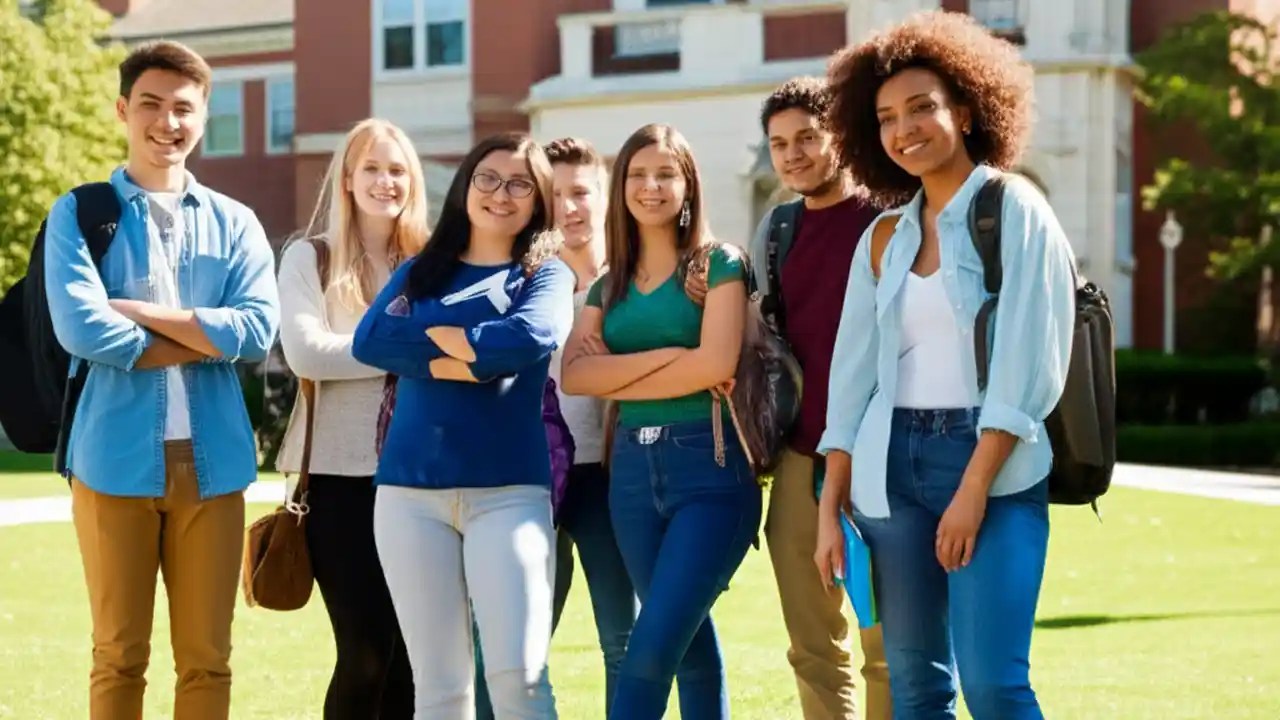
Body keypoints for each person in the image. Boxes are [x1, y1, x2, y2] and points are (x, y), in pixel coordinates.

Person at [814, 12, 1076, 719]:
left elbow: (1028, 361)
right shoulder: (882, 237)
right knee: (916, 689)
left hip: (994, 467)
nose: (904, 129)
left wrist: (974, 487)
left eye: (921, 107)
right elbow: (851, 378)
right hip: (890, 474)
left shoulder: (1015, 209)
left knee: (995, 687)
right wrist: (830, 506)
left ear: (965, 109)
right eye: (886, 118)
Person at [44, 40, 279, 719]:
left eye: (183, 108)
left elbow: (257, 331)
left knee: (208, 660)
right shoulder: (78, 214)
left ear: (203, 117)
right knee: (118, 655)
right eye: (151, 104)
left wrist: (143, 314)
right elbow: (82, 331)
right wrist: (204, 340)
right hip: (109, 461)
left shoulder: (237, 223)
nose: (167, 122)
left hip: (215, 466)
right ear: (123, 110)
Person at [352, 132, 574, 719]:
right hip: (408, 497)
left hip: (509, 495)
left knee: (520, 681)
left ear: (539, 200)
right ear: (465, 187)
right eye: (488, 179)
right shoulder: (421, 271)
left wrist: (436, 344)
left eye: (520, 184)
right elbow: (370, 341)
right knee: (440, 688)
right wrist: (470, 359)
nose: (501, 194)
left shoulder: (546, 275)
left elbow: (529, 337)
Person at [561, 123, 761, 720]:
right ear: (622, 187)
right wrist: (675, 358)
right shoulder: (607, 286)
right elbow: (575, 375)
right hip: (629, 477)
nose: (651, 186)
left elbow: (717, 363)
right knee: (688, 647)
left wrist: (619, 371)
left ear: (688, 184)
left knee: (648, 652)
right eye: (638, 174)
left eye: (666, 173)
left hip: (711, 470)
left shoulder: (719, 265)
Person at [749, 76, 891, 720]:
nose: (793, 155)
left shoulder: (890, 217)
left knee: (889, 644)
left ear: (839, 136)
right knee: (812, 647)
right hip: (801, 456)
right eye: (779, 144)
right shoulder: (778, 231)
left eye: (807, 137)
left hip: (883, 455)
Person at [276, 118, 428, 718]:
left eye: (397, 170)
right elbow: (307, 354)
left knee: (413, 659)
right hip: (337, 481)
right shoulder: (309, 258)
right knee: (365, 652)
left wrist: (379, 351)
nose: (385, 181)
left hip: (421, 476)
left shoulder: (432, 263)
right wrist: (410, 349)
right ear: (346, 177)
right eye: (372, 168)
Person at [544, 136, 638, 710]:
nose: (569, 207)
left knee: (621, 641)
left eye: (580, 192)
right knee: (510, 644)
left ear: (604, 197)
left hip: (609, 476)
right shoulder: (527, 284)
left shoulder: (632, 282)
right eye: (555, 195)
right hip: (536, 476)